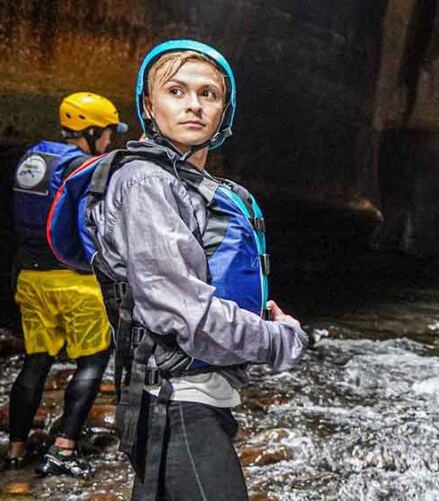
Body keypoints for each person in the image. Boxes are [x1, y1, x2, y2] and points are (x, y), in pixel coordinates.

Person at [82, 40, 307, 499]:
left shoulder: (186, 185)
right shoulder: (146, 181)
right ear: (149, 105)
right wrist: (279, 340)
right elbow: (184, 315)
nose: (194, 105)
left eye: (209, 94)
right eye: (176, 91)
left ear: (224, 111)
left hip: (184, 399)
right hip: (177, 401)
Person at [9, 92, 128, 477]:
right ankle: (64, 447)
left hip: (31, 279)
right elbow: (91, 228)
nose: (109, 140)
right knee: (93, 361)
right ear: (90, 131)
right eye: (107, 132)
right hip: (76, 284)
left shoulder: (33, 159)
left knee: (36, 361)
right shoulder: (87, 167)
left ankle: (16, 448)